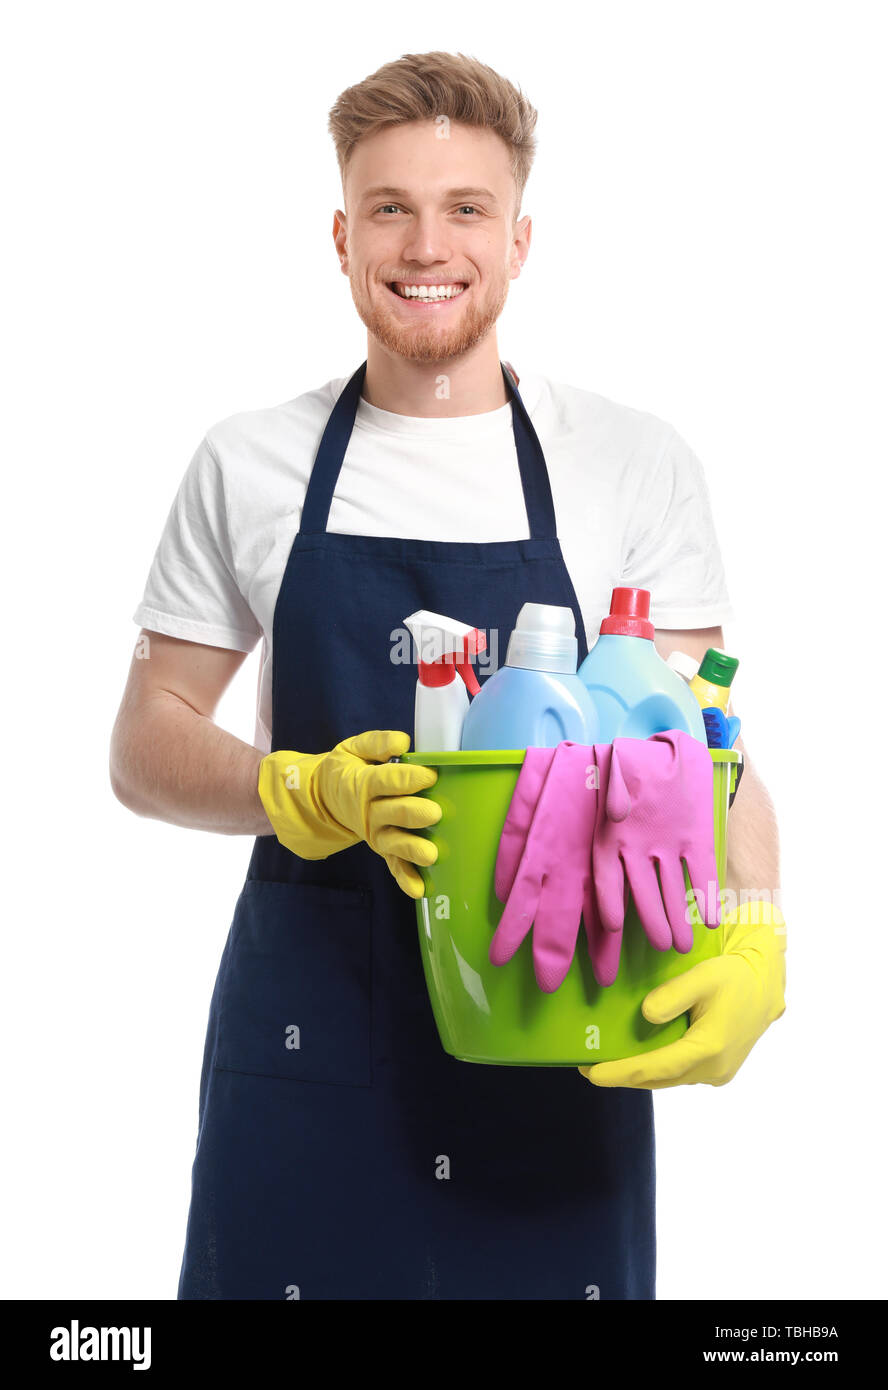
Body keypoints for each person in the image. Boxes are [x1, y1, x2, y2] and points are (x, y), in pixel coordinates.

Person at [110, 51, 785, 1301]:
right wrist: (294, 792)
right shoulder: (249, 461)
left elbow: (702, 737)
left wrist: (757, 931)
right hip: (308, 1041)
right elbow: (144, 739)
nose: (429, 243)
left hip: (552, 1023)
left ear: (520, 239)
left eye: (466, 207)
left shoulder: (630, 463)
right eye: (391, 207)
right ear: (341, 232)